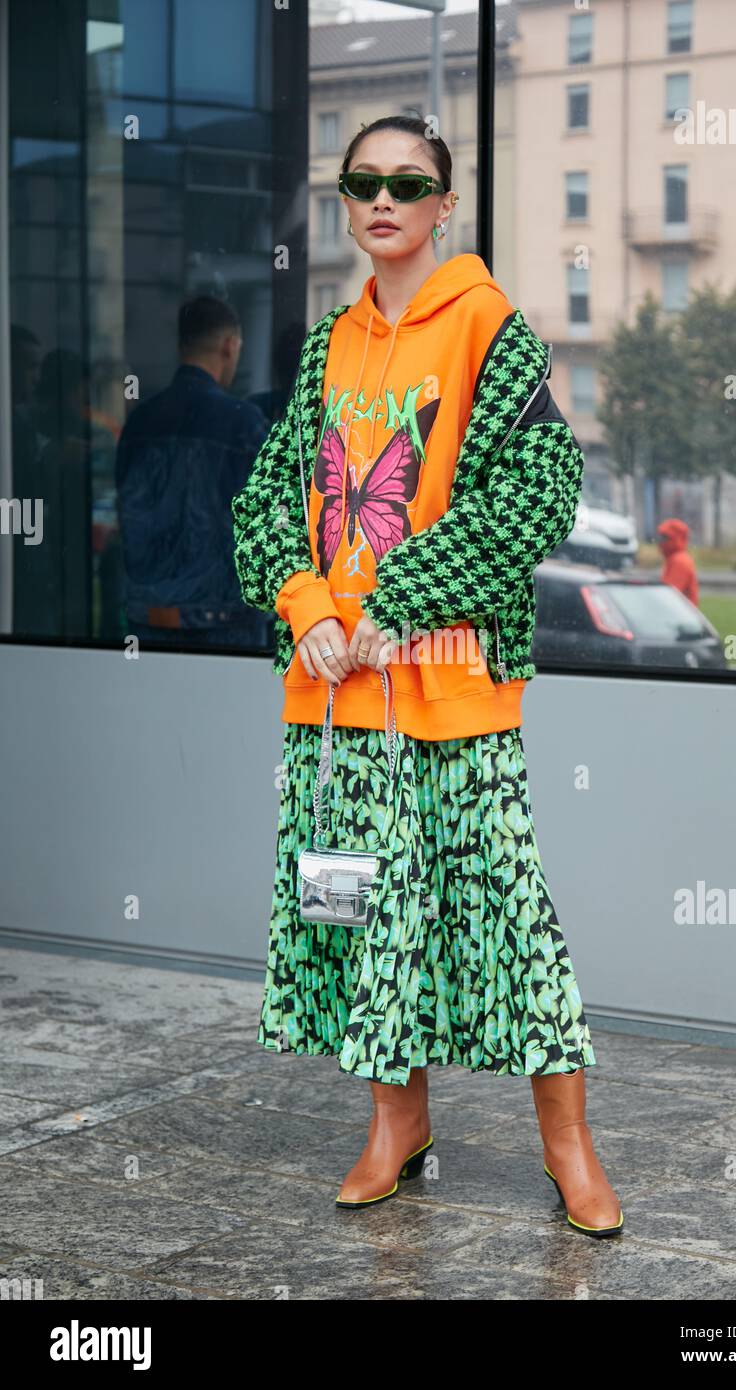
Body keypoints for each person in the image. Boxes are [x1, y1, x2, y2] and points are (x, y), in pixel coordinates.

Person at [232, 115, 623, 1238]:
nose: (383, 199)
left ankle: (567, 1144)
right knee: (360, 914)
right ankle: (395, 1126)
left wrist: (390, 601)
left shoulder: (491, 329)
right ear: (345, 202)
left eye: (408, 183)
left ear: (445, 204)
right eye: (364, 182)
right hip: (339, 709)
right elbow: (263, 503)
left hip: (453, 699)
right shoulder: (327, 346)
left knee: (510, 916)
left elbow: (538, 490)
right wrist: (309, 608)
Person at [116, 295, 270, 650]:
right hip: (229, 625)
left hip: (148, 619)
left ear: (181, 346)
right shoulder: (244, 423)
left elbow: (128, 514)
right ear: (229, 346)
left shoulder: (140, 422)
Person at [656, 516, 700, 607]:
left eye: (665, 538)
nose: (660, 542)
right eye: (661, 537)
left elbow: (669, 595)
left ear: (676, 539)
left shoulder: (679, 561)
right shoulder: (675, 558)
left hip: (680, 613)